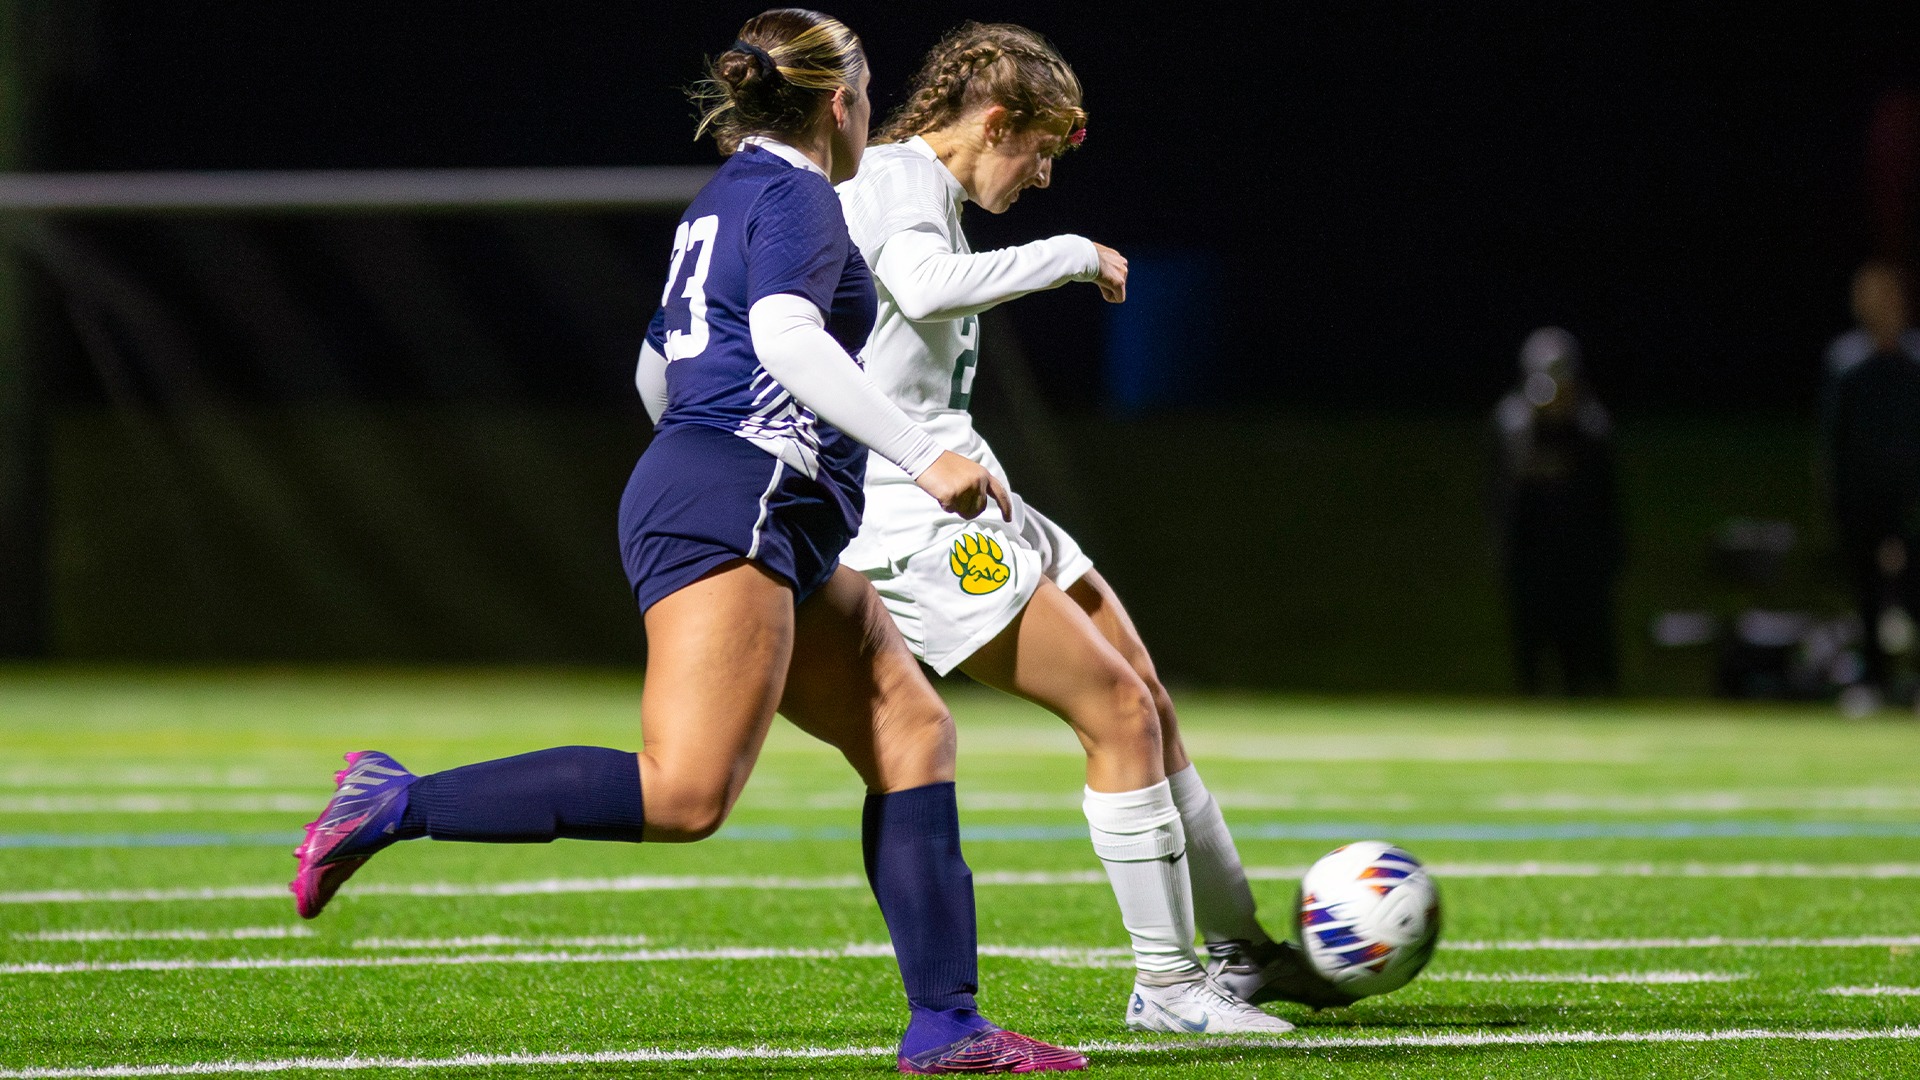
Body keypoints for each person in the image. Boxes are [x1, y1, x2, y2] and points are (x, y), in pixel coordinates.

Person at [290, 11, 1086, 1074]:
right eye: (865, 96)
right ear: (840, 103)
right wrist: (915, 453)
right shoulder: (801, 195)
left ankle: (948, 1027)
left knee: (911, 731)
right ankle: (393, 801)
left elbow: (657, 369)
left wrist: (716, 457)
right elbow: (786, 336)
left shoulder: (724, 198)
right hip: (744, 496)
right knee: (686, 795)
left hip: (744, 494)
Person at [824, 22, 1351, 1034]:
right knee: (1114, 708)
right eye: (1040, 151)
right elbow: (923, 286)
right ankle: (1169, 987)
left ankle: (1240, 954)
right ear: (994, 121)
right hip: (910, 517)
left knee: (1145, 698)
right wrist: (1069, 254)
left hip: (975, 495)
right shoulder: (894, 179)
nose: (1043, 177)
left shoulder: (922, 191)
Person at [1486, 326, 1623, 696]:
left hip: (1579, 557)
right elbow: (1501, 493)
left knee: (1581, 649)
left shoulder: (1590, 424)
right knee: (1530, 646)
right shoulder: (1512, 423)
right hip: (1529, 554)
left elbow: (1604, 497)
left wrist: (1608, 553)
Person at [1820, 261, 1920, 707]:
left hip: (1912, 503)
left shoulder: (1914, 361)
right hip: (1862, 502)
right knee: (1867, 597)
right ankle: (1874, 682)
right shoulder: (1845, 361)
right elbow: (1833, 441)